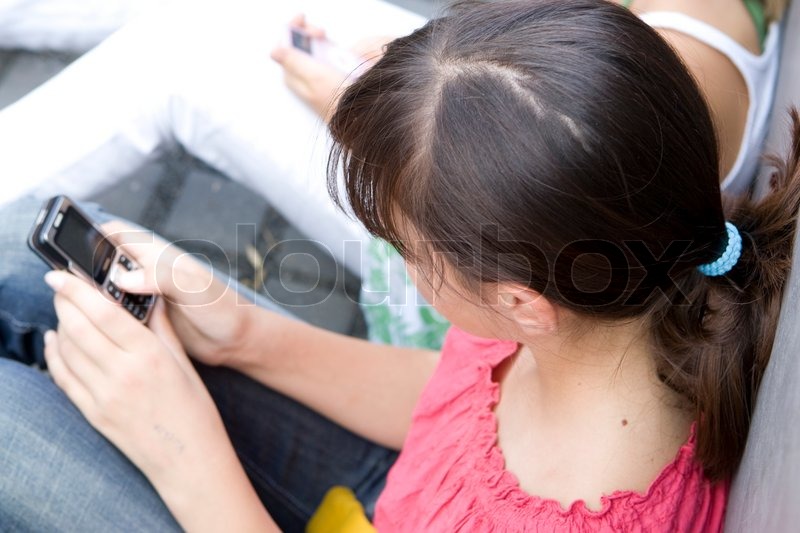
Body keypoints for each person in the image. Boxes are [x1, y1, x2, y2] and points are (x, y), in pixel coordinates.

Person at [2, 0, 800, 529]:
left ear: (521, 302)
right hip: (404, 486)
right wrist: (241, 334)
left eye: (410, 251)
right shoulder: (606, 292)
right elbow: (457, 407)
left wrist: (185, 452)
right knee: (21, 250)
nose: (399, 263)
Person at [0, 0, 789, 352]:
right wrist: (421, 65)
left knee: (184, 57)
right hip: (513, 176)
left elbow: (534, 178)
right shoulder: (684, 34)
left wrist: (367, 107)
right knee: (226, 16)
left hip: (485, 227)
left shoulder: (647, 96)